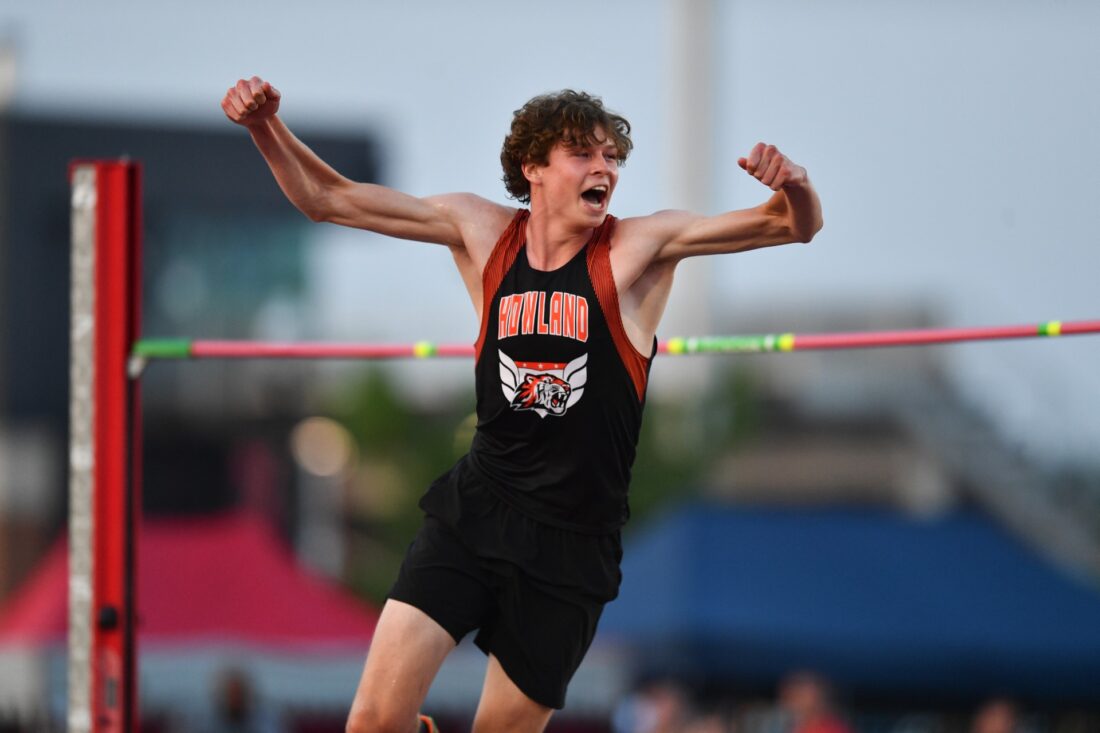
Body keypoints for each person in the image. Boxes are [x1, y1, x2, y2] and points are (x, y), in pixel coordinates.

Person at [221, 76, 822, 733]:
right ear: (533, 166)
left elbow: (792, 225)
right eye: (583, 154)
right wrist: (265, 128)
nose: (605, 169)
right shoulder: (480, 231)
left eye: (612, 158)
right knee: (371, 722)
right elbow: (327, 198)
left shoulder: (637, 249)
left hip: (571, 544)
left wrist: (795, 185)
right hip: (478, 509)